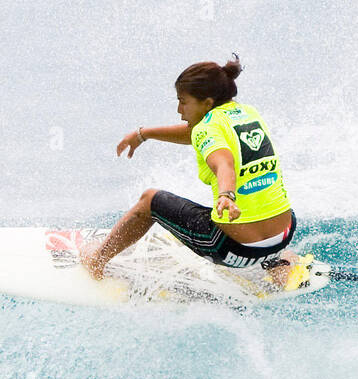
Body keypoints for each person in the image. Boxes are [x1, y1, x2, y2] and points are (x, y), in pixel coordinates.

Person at [81, 54, 305, 289]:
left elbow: (223, 163)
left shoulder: (207, 128)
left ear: (207, 103)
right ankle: (279, 263)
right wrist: (143, 134)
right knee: (258, 198)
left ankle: (96, 261)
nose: (179, 110)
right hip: (284, 234)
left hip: (232, 250)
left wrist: (226, 195)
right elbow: (196, 134)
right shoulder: (248, 114)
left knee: (149, 201)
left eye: (183, 101)